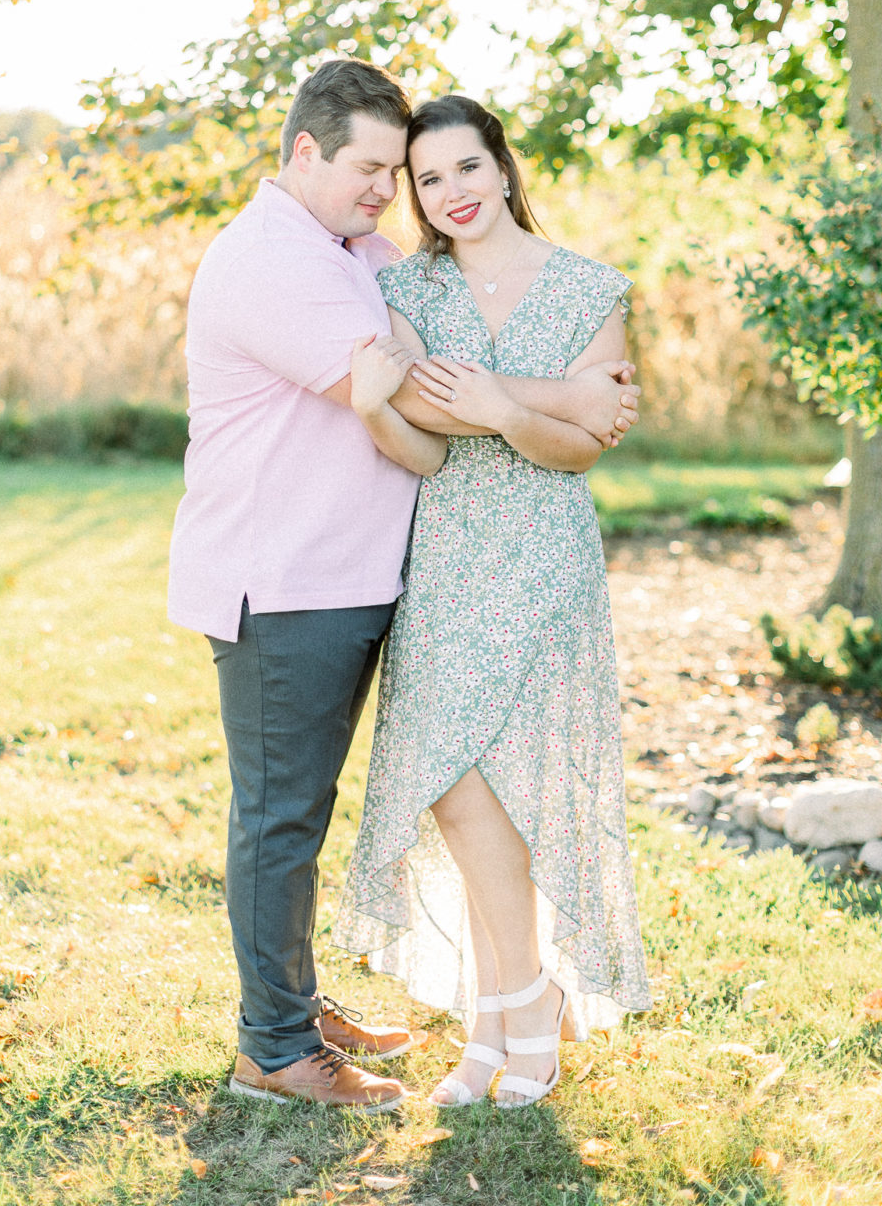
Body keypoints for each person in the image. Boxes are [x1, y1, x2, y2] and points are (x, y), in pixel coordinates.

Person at [168, 60, 642, 1111]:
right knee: (284, 815)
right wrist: (566, 392)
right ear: (305, 152)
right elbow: (406, 402)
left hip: (367, 575)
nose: (395, 191)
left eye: (411, 171)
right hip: (280, 578)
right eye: (377, 169)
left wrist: (541, 405)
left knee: (310, 805)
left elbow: (436, 408)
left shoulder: (359, 255)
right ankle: (275, 1045)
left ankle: (300, 1005)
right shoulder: (269, 262)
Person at [335, 93, 653, 1110]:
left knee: (511, 794)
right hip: (448, 555)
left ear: (502, 168)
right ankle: (521, 1002)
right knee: (453, 784)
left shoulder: (587, 286)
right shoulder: (411, 283)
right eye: (428, 180)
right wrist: (551, 395)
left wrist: (506, 405)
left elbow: (583, 449)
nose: (450, 192)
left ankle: (497, 1031)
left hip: (544, 560)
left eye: (466, 167)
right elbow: (422, 430)